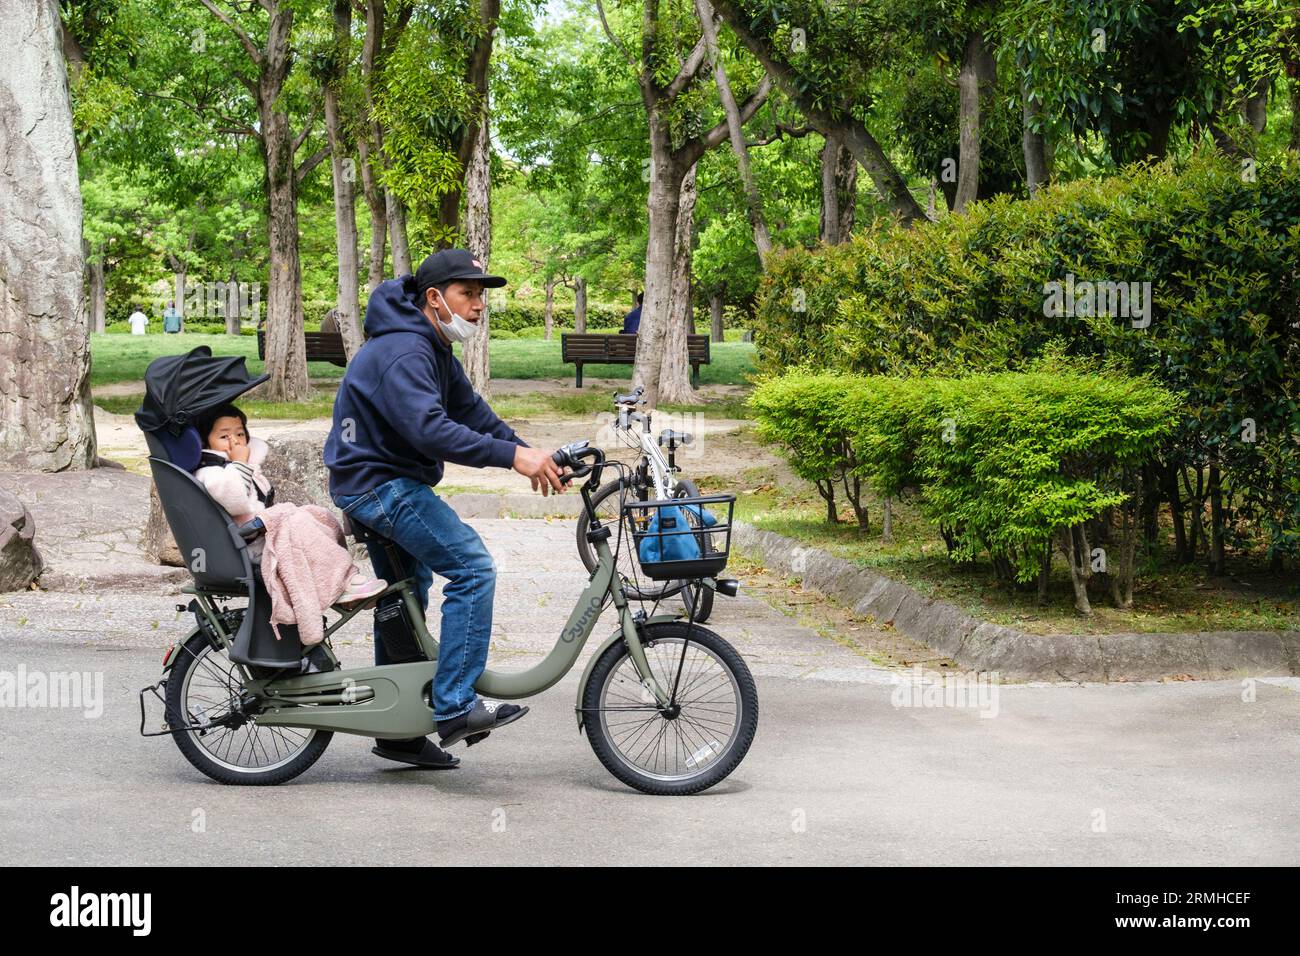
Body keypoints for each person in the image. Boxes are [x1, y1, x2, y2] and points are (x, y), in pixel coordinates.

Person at [325, 248, 567, 770]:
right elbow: (429, 429)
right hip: (378, 486)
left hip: (380, 481)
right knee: (473, 568)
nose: (479, 305)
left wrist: (530, 454)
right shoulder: (405, 352)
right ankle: (454, 706)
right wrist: (512, 459)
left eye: (482, 295)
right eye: (469, 293)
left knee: (404, 597)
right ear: (434, 298)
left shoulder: (431, 347)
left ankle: (399, 730)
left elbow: (471, 413)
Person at [195, 403, 385, 611]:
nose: (235, 441)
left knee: (317, 517)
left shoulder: (240, 468)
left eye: (240, 434)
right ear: (206, 441)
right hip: (249, 546)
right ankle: (344, 583)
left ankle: (343, 579)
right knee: (298, 523)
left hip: (262, 537)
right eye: (224, 437)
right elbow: (235, 501)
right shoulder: (211, 473)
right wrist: (241, 462)